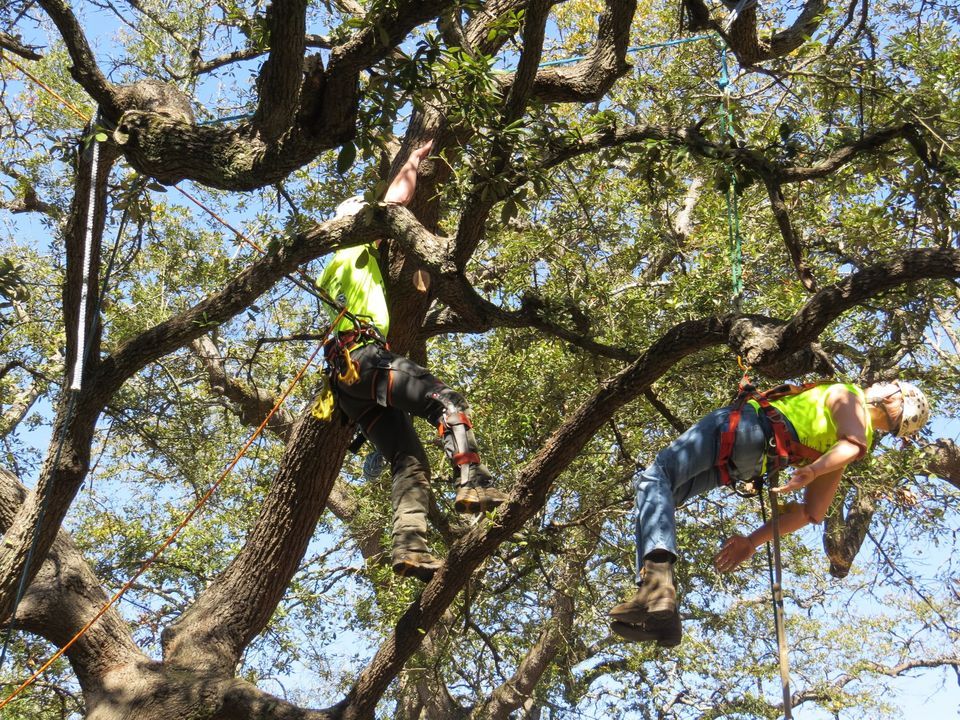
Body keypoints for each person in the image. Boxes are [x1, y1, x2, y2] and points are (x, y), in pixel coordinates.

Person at [608, 379, 930, 646]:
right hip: (745, 461)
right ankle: (663, 618)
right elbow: (811, 513)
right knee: (657, 494)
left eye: (890, 384)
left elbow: (854, 443)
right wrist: (752, 542)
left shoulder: (849, 397)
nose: (883, 383)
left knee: (655, 477)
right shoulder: (841, 451)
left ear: (893, 398)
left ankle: (657, 585)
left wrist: (812, 471)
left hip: (745, 430)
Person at [319, 140, 508, 583]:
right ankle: (473, 479)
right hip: (365, 360)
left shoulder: (332, 271)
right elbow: (393, 204)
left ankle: (409, 545)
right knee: (446, 401)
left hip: (348, 389)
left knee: (409, 461)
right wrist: (413, 161)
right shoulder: (353, 249)